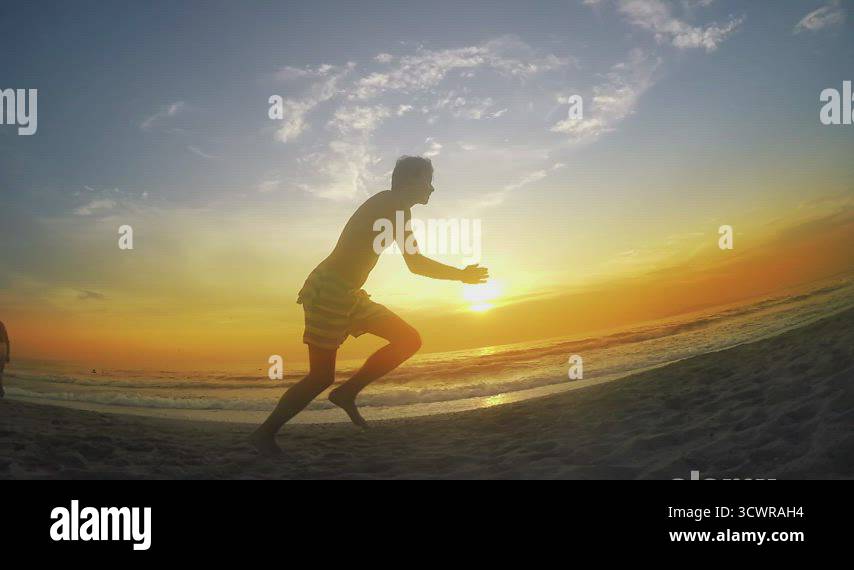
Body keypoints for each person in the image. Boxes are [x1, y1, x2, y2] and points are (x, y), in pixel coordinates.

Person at [250, 156, 488, 456]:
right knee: (321, 376)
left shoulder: (397, 209)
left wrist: (460, 276)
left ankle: (347, 392)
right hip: (328, 291)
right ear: (410, 182)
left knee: (408, 339)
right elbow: (416, 264)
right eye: (428, 180)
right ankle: (264, 433)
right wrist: (461, 276)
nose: (432, 188)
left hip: (349, 293)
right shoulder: (391, 205)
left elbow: (413, 263)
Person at [0, 320, 9, 399]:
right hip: (4, 347)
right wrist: (7, 354)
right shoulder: (2, 324)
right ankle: (1, 391)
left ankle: (1, 391)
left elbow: (6, 338)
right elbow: (7, 339)